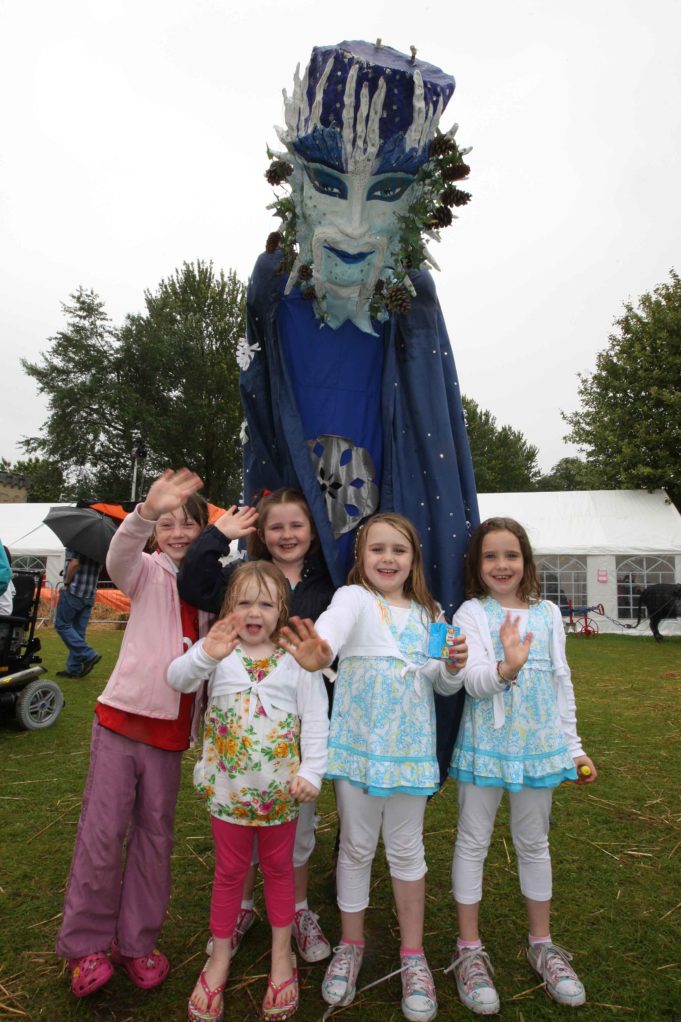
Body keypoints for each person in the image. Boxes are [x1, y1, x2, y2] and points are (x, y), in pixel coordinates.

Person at [55, 469, 255, 999]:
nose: (177, 532)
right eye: (166, 524)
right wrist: (144, 512)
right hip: (121, 723)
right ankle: (85, 948)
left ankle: (136, 943)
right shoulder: (142, 571)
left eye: (187, 523)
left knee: (153, 842)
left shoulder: (212, 586)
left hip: (171, 736)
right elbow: (120, 554)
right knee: (102, 837)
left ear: (203, 530)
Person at [280, 512, 468, 1022]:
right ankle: (351, 945)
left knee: (407, 849)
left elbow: (441, 683)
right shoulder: (353, 599)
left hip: (409, 753)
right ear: (361, 557)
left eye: (399, 550)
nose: (388, 559)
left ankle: (414, 958)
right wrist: (318, 652)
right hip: (360, 751)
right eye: (377, 549)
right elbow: (328, 638)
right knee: (357, 846)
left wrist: (451, 667)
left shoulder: (432, 611)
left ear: (413, 559)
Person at [446, 517, 597, 1014]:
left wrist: (573, 747)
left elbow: (561, 683)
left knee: (534, 842)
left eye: (511, 555)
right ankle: (469, 950)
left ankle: (543, 945)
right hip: (485, 746)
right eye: (491, 556)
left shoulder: (550, 614)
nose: (502, 565)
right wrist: (507, 668)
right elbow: (472, 682)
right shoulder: (471, 612)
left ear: (526, 561)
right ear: (477, 564)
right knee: (473, 841)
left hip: (539, 748)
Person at [178, 487, 335, 963]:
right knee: (240, 832)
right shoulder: (237, 578)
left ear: (312, 531)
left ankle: (299, 909)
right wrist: (216, 534)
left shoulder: (326, 586)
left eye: (296, 525)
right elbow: (192, 582)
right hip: (237, 744)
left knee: (296, 833)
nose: (286, 535)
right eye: (276, 526)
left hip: (294, 729)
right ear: (260, 533)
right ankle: (243, 907)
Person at [168, 561, 329, 1022]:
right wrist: (206, 655)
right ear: (228, 608)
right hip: (228, 793)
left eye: (265, 602)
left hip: (282, 796)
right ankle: (219, 958)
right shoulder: (217, 650)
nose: (254, 611)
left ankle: (282, 956)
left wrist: (313, 773)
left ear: (282, 610)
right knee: (229, 873)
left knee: (280, 871)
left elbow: (316, 721)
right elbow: (177, 679)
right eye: (243, 602)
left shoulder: (297, 661)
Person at [54, 546, 103, 678]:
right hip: (89, 594)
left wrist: (66, 582)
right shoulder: (100, 548)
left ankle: (88, 654)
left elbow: (75, 564)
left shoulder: (76, 544)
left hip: (74, 591)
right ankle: (73, 669)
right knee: (78, 632)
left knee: (62, 625)